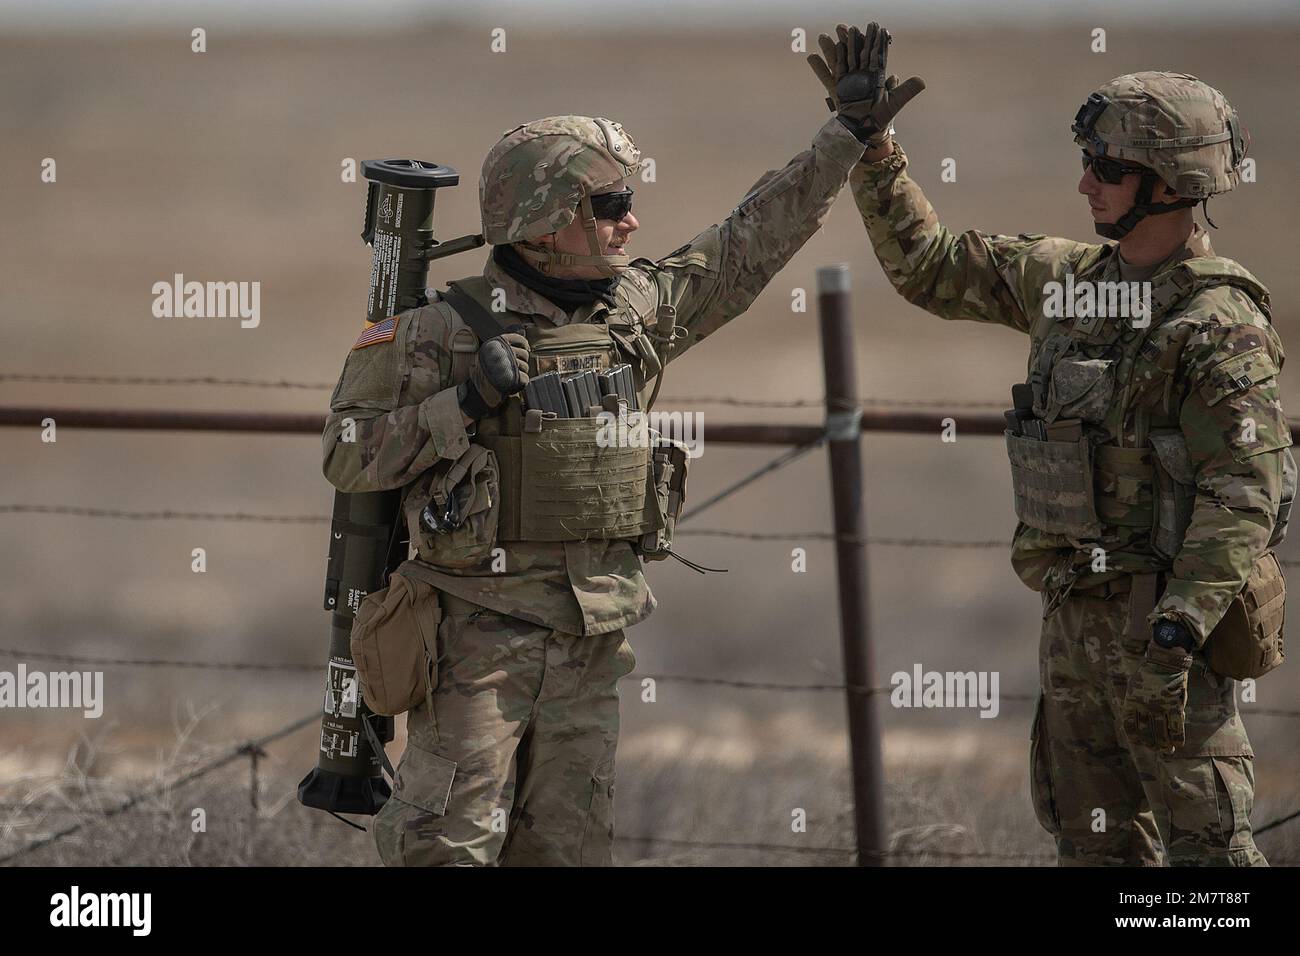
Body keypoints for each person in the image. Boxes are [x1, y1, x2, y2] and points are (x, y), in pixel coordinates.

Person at [320, 26, 920, 865]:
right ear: (546, 218)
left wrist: (843, 141)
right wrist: (462, 402)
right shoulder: (434, 330)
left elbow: (749, 241)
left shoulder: (635, 313)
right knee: (443, 851)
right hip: (473, 642)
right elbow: (348, 454)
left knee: (567, 851)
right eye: (608, 206)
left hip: (591, 639)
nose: (631, 219)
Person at [816, 24, 1289, 866]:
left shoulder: (1217, 322)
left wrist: (1178, 633)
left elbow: (1246, 488)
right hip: (1072, 623)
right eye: (1088, 162)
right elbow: (927, 267)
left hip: (1167, 638)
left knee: (1210, 859)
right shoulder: (1066, 282)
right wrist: (872, 145)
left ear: (1175, 182)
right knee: (1090, 847)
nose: (1084, 185)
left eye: (1108, 169)